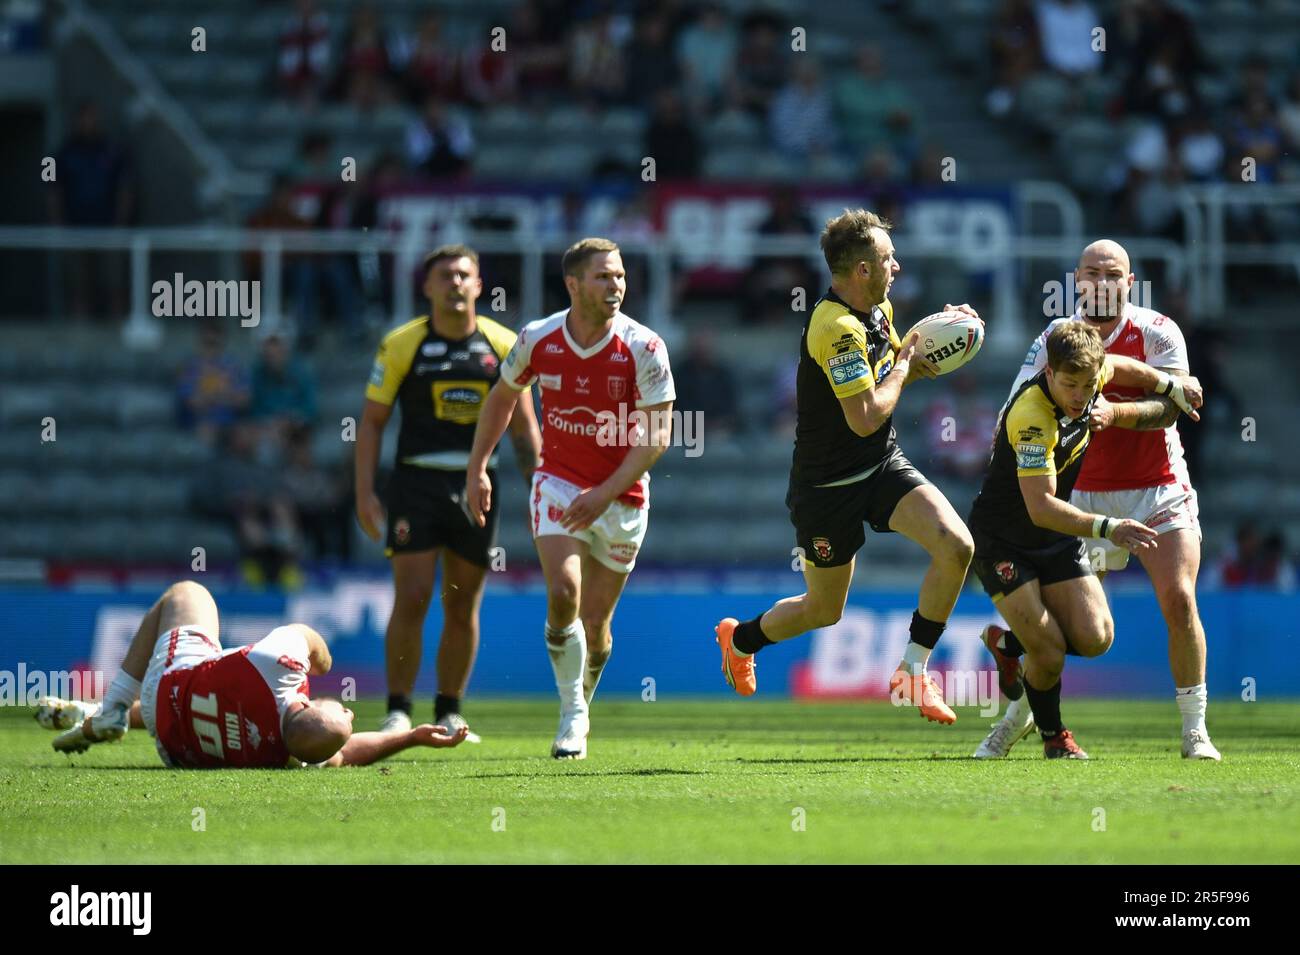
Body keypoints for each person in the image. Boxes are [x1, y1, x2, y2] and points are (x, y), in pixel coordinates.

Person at [714, 209, 978, 726]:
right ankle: (740, 638)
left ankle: (912, 670)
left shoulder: (877, 312)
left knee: (957, 545)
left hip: (880, 465)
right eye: (887, 258)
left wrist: (942, 338)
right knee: (824, 610)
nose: (896, 266)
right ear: (860, 270)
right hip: (825, 487)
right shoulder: (835, 328)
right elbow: (863, 416)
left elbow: (889, 382)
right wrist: (905, 364)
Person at [977, 239, 1220, 761]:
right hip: (1084, 496)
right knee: (1074, 636)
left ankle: (1195, 730)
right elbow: (1018, 403)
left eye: (1114, 274)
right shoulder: (1058, 339)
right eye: (1092, 273)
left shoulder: (1158, 330)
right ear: (1077, 280)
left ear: (1129, 284)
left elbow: (1173, 407)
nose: (1102, 282)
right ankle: (1018, 714)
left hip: (1158, 487)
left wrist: (1115, 414)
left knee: (1179, 600)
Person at [466, 238, 675, 760]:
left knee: (598, 630)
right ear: (574, 284)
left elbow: (656, 436)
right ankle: (572, 714)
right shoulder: (538, 338)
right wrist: (477, 468)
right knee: (563, 593)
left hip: (621, 497)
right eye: (604, 276)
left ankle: (581, 700)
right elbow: (502, 397)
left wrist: (604, 494)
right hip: (557, 483)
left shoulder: (644, 347)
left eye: (621, 276)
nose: (616, 286)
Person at [356, 245, 541, 742]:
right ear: (427, 286)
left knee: (462, 604)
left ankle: (449, 710)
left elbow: (525, 430)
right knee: (412, 597)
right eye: (445, 275)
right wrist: (365, 493)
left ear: (479, 286)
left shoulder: (503, 345)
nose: (455, 283)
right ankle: (397, 710)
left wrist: (542, 492)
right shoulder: (401, 345)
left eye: (464, 275)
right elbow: (371, 424)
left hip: (478, 485)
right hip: (414, 482)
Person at [42, 581, 467, 767]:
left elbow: (311, 642)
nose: (352, 714)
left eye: (343, 711)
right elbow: (346, 753)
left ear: (307, 703)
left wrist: (320, 662)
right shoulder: (291, 758)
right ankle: (91, 712)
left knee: (188, 594)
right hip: (174, 743)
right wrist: (409, 737)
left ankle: (114, 705)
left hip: (169, 687)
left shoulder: (280, 665)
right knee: (209, 698)